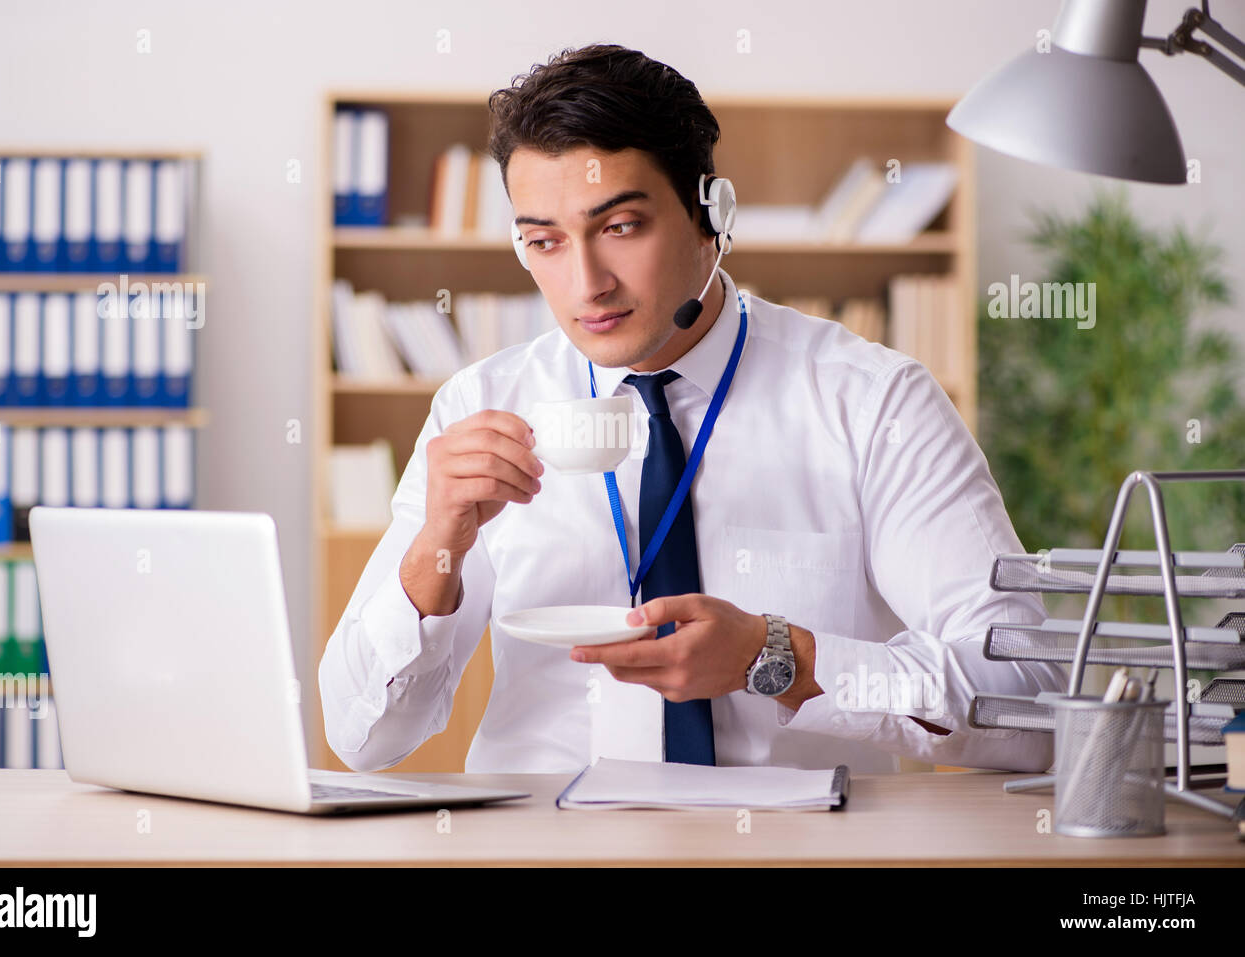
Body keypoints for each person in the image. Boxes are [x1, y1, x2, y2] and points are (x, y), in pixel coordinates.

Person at [318, 43, 1065, 775]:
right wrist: (433, 552)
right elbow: (362, 738)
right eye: (543, 241)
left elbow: (1034, 705)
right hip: (546, 848)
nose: (585, 285)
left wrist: (777, 657)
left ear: (714, 212)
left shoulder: (873, 403)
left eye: (619, 228)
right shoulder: (479, 405)